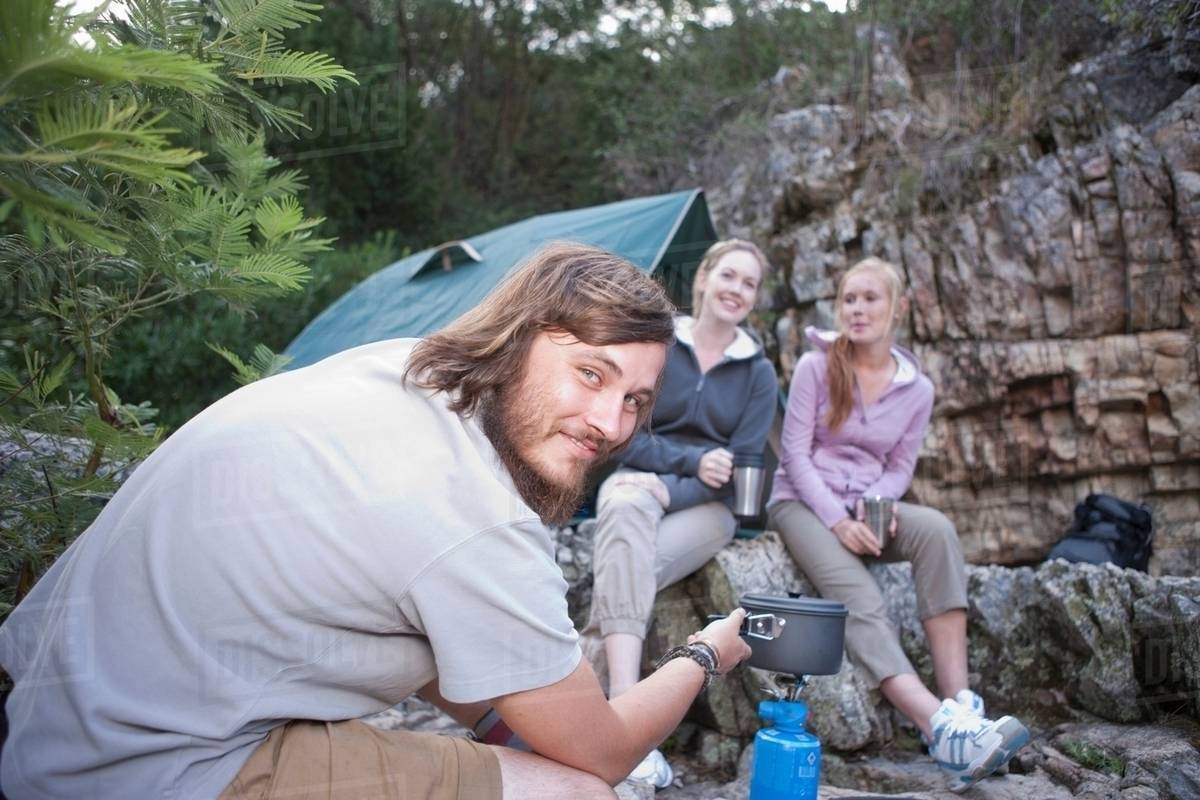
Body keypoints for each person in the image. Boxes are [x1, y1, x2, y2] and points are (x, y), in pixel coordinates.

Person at [0, 243, 753, 800]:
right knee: (579, 796)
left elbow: (439, 650)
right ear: (520, 339)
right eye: (592, 373)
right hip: (143, 771)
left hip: (50, 715)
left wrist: (520, 729)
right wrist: (706, 653)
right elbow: (607, 753)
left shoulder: (402, 373)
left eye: (635, 402)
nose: (610, 424)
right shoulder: (476, 512)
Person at [766, 256, 1028, 793]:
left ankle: (961, 708)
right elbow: (794, 455)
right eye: (849, 299)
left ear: (898, 307)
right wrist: (839, 521)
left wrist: (876, 504)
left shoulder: (918, 390)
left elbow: (900, 466)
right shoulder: (818, 367)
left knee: (935, 529)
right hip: (801, 503)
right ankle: (938, 730)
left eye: (870, 298)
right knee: (860, 597)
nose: (857, 309)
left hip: (867, 507)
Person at [583, 239, 777, 788]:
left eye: (749, 283)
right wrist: (687, 463)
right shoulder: (663, 344)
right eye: (729, 276)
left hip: (711, 510)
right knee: (621, 500)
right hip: (641, 480)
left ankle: (572, 709)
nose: (737, 290)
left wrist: (681, 489)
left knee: (624, 565)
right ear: (705, 279)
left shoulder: (757, 372)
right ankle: (625, 708)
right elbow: (625, 430)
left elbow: (742, 465)